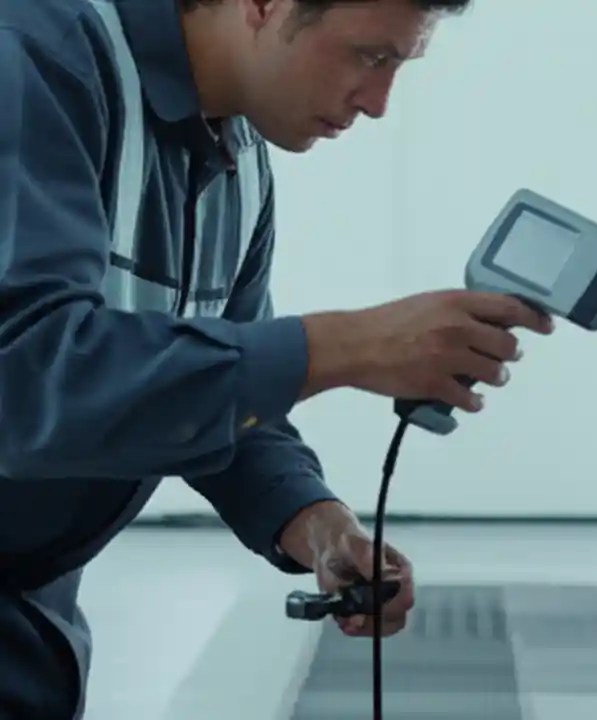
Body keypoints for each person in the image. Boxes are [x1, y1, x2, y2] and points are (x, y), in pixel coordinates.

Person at [0, 0, 554, 716]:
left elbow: (215, 391)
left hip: (33, 613)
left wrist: (313, 519)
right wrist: (348, 344)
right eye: (370, 56)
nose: (380, 103)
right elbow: (26, 381)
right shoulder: (34, 61)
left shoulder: (239, 163)